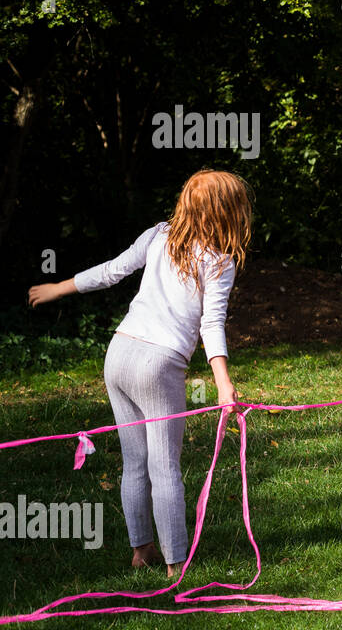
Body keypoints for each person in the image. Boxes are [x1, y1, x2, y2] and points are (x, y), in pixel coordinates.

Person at [27, 169, 252, 578]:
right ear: (227, 214)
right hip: (157, 364)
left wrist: (58, 287)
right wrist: (224, 384)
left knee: (135, 463)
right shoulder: (220, 263)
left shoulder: (157, 235)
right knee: (164, 467)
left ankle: (141, 550)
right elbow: (211, 325)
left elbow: (113, 270)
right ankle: (174, 565)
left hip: (118, 352)